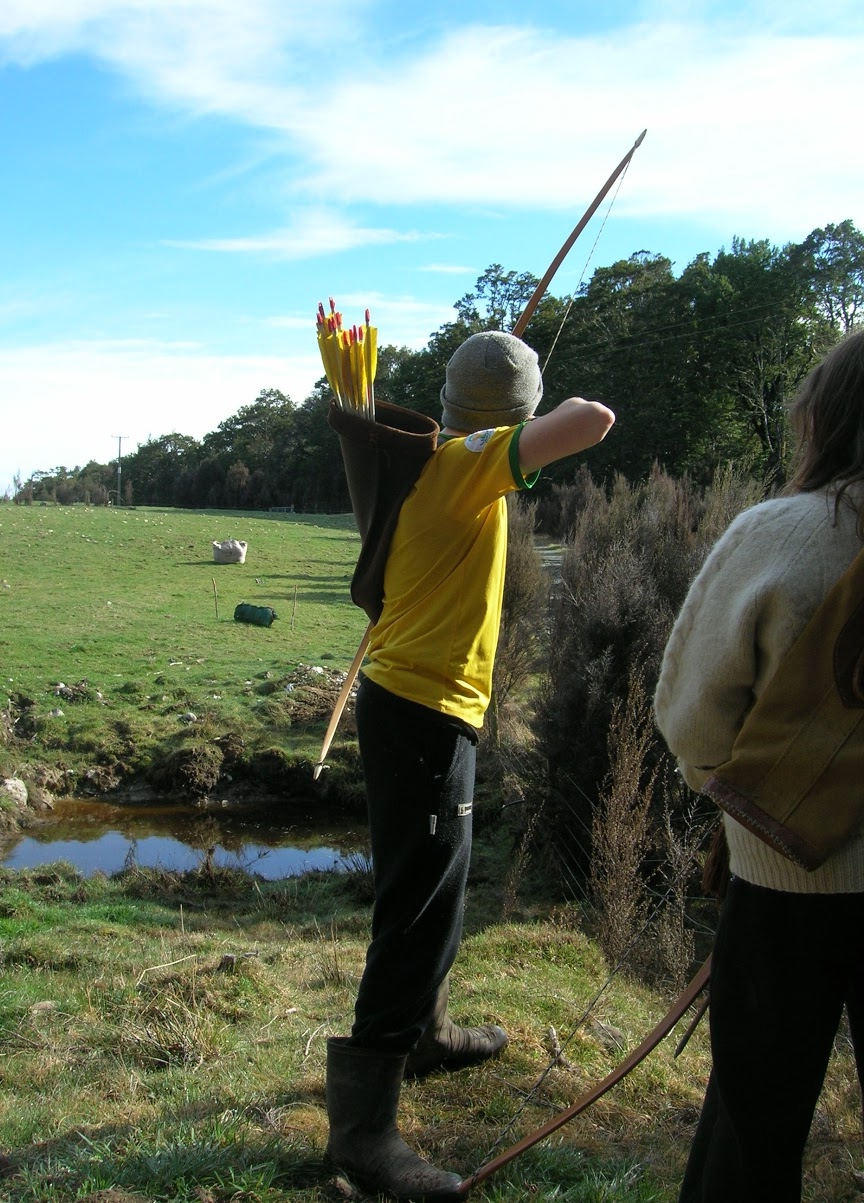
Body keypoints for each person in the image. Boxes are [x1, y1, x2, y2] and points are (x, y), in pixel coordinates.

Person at [325, 331, 615, 1202]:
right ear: (504, 425)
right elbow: (591, 420)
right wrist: (516, 423)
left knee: (438, 887)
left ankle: (428, 1033)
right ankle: (362, 1135)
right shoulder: (465, 469)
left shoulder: (442, 462)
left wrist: (492, 419)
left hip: (421, 707)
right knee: (414, 907)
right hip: (421, 714)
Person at [654, 329, 864, 1203]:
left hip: (785, 888)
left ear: (829, 416)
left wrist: (741, 805)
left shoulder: (781, 533)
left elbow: (692, 715)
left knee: (752, 1124)